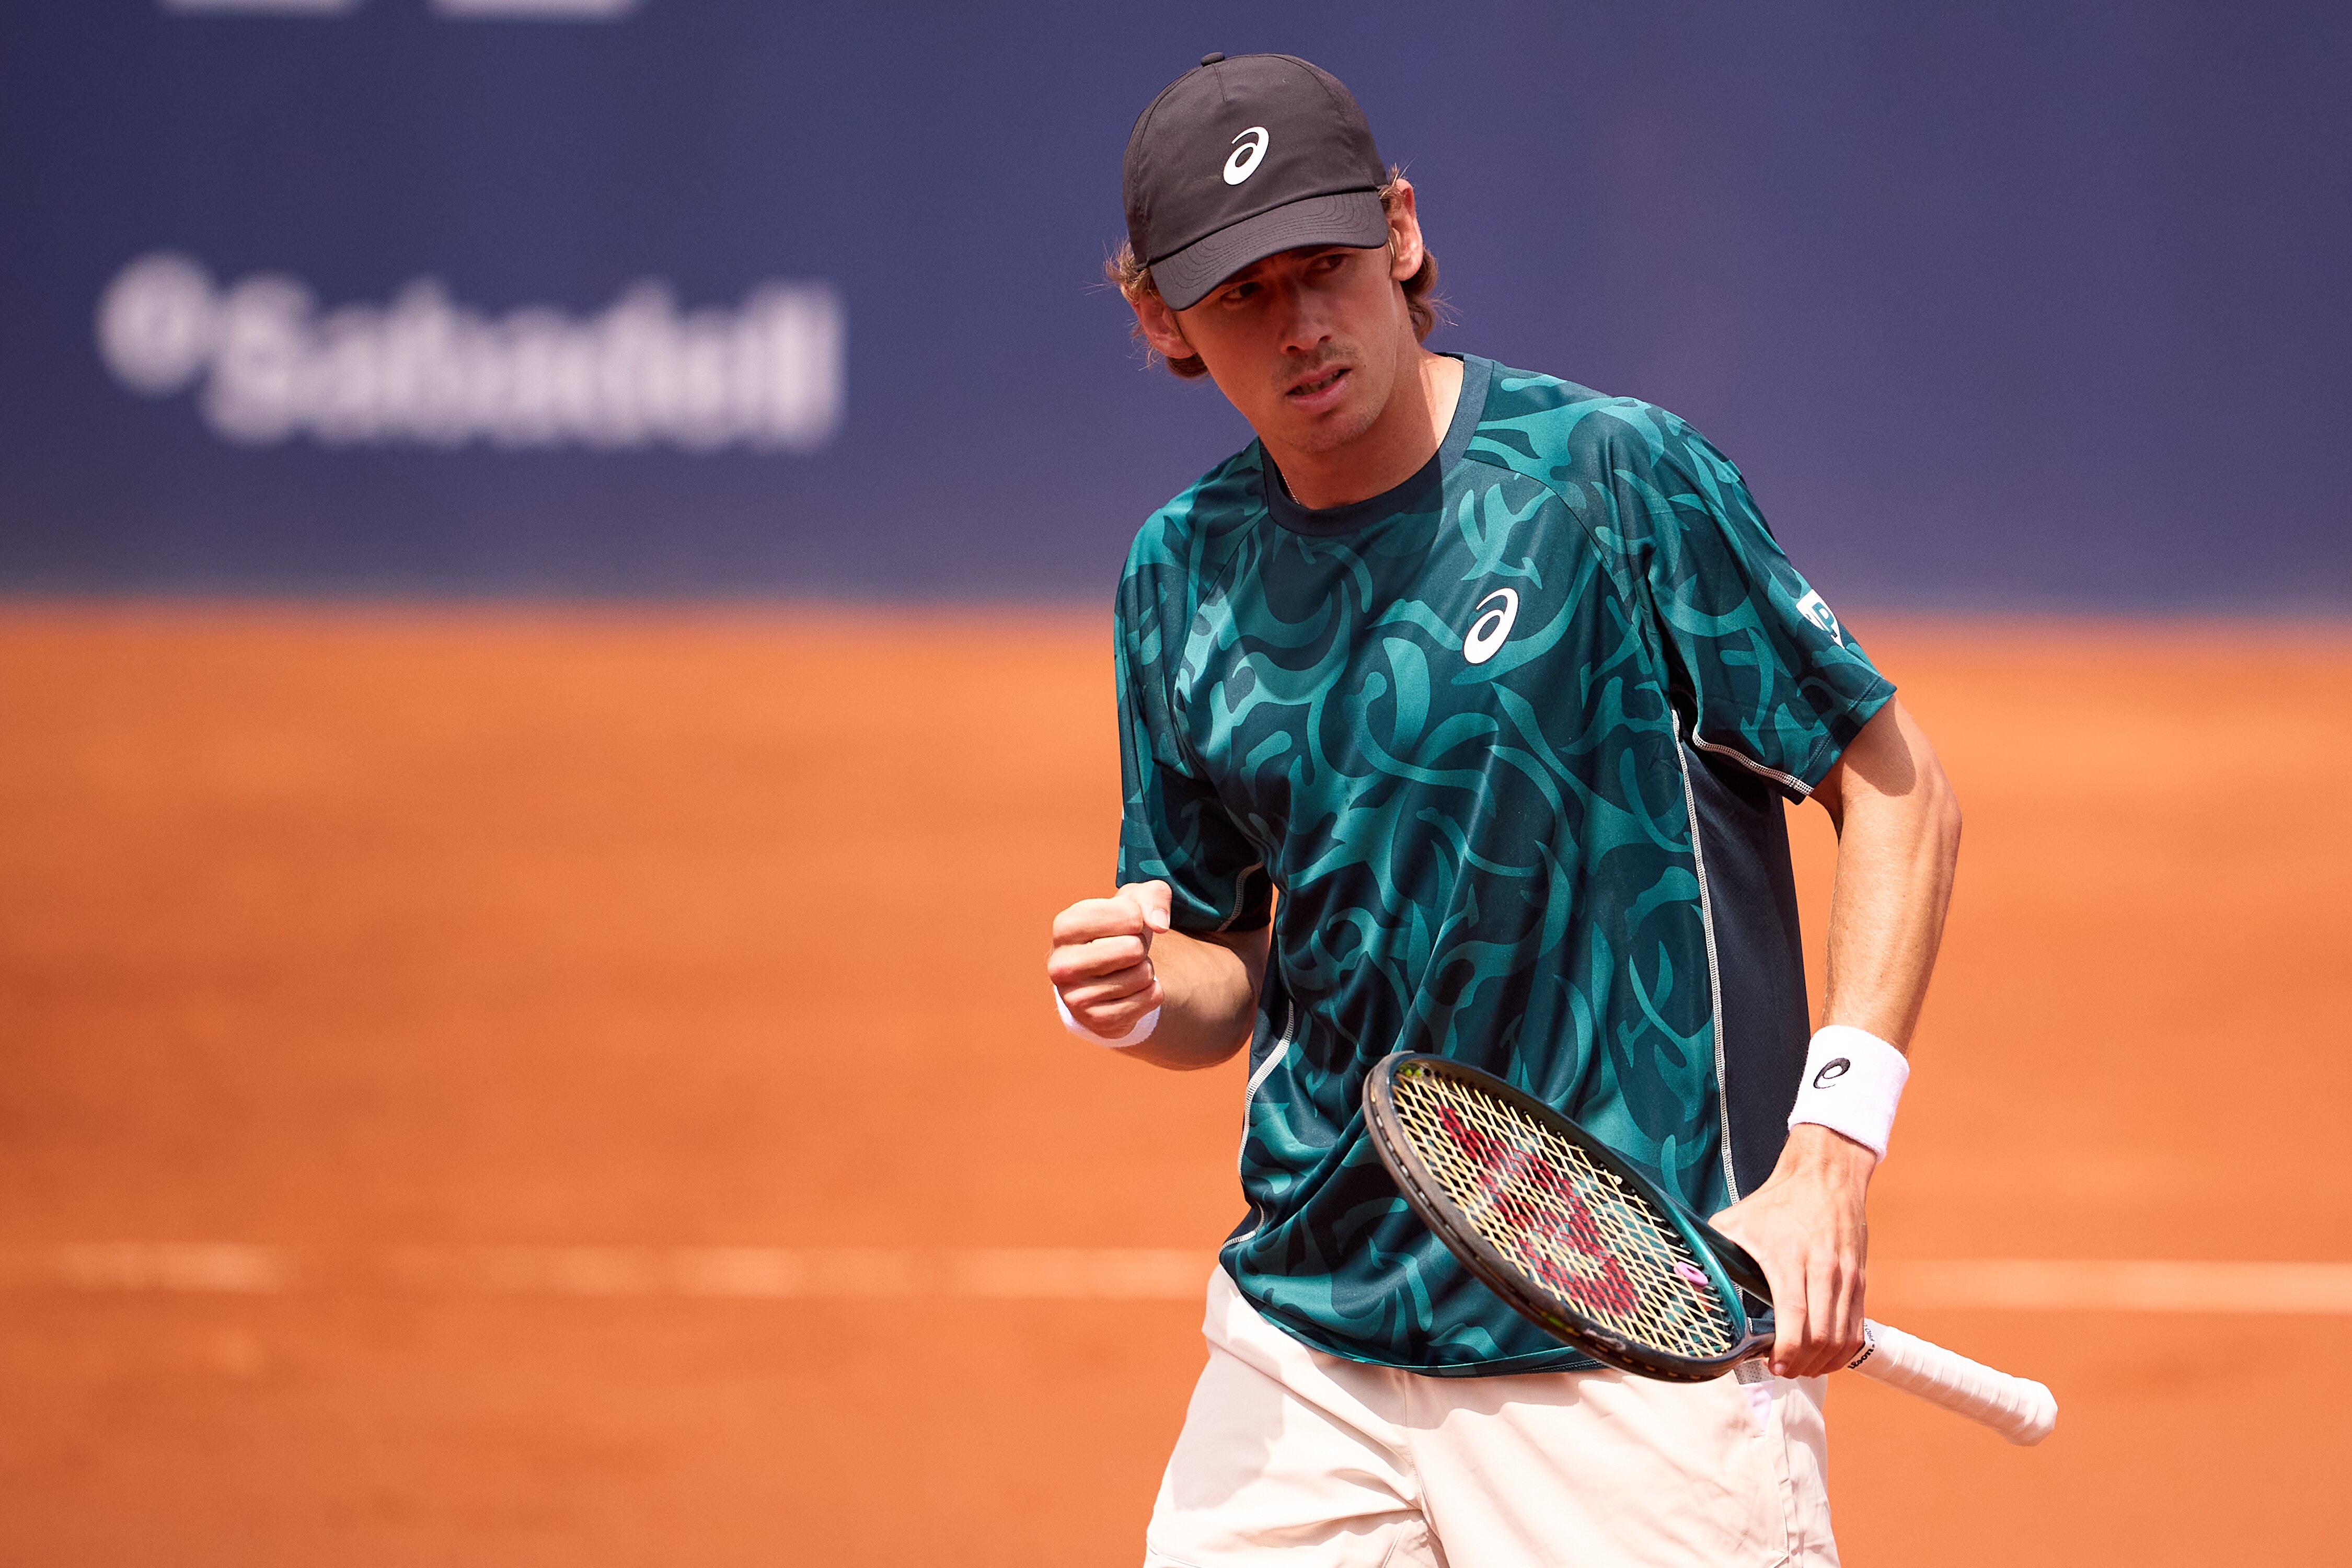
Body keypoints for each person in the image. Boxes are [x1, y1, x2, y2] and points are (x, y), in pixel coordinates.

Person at [1046, 52, 1962, 1568]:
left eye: (1324, 265)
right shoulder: (1180, 572)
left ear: (1400, 231)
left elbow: (1894, 786)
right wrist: (1144, 993)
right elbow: (1229, 965)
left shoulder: (1609, 482)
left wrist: (1829, 1155)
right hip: (1307, 1336)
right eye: (1241, 295)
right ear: (1163, 323)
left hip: (1631, 1338)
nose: (1300, 324)